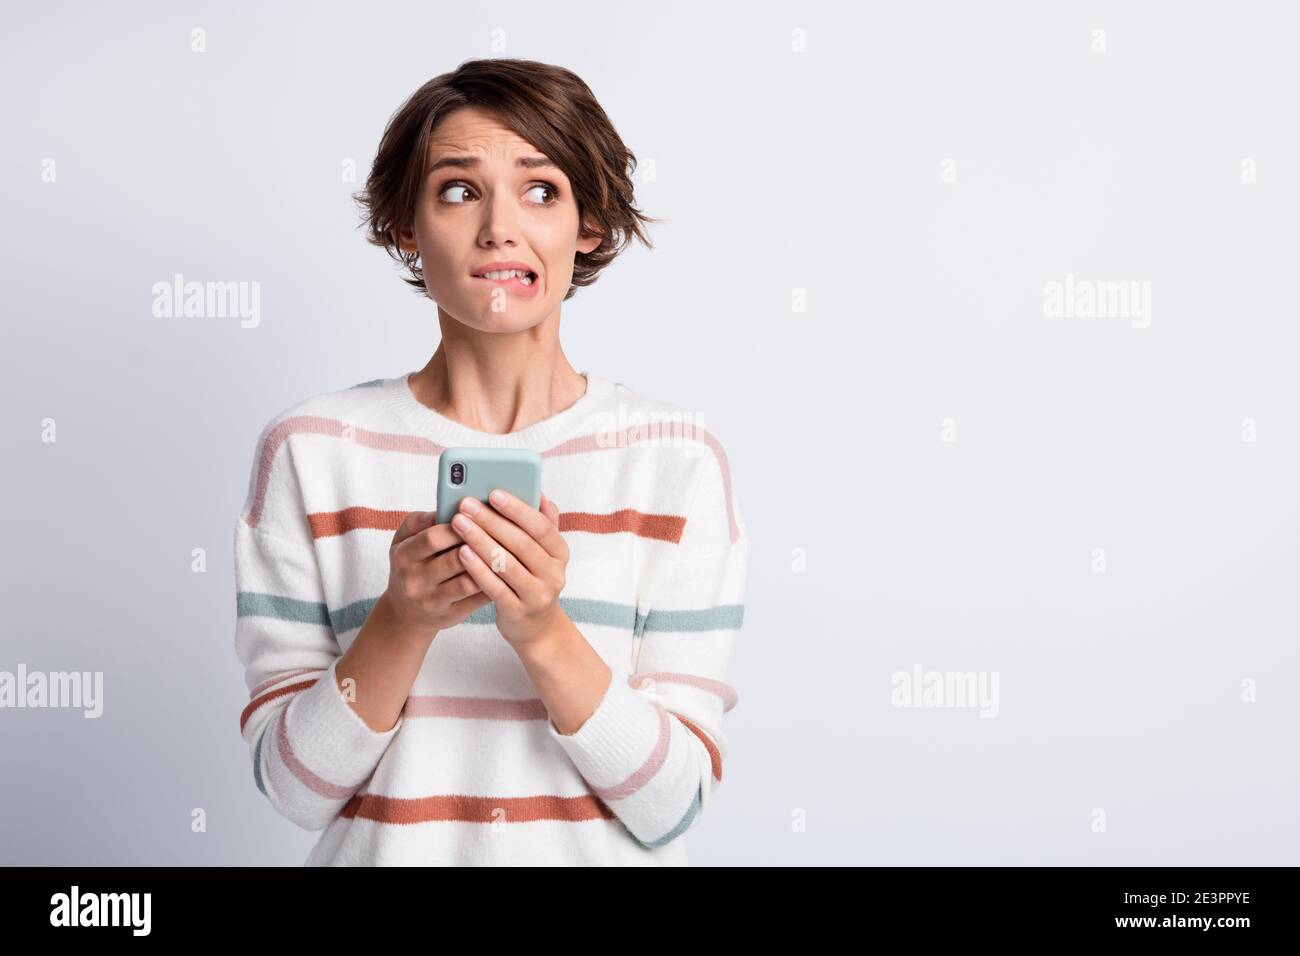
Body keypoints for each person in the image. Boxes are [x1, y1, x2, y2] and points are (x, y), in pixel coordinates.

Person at [233, 58, 749, 865]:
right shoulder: (312, 449)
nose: (500, 227)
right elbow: (296, 792)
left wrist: (542, 631)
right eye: (459, 190)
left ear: (588, 225)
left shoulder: (674, 461)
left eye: (541, 190)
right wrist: (400, 623)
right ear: (406, 226)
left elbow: (672, 804)